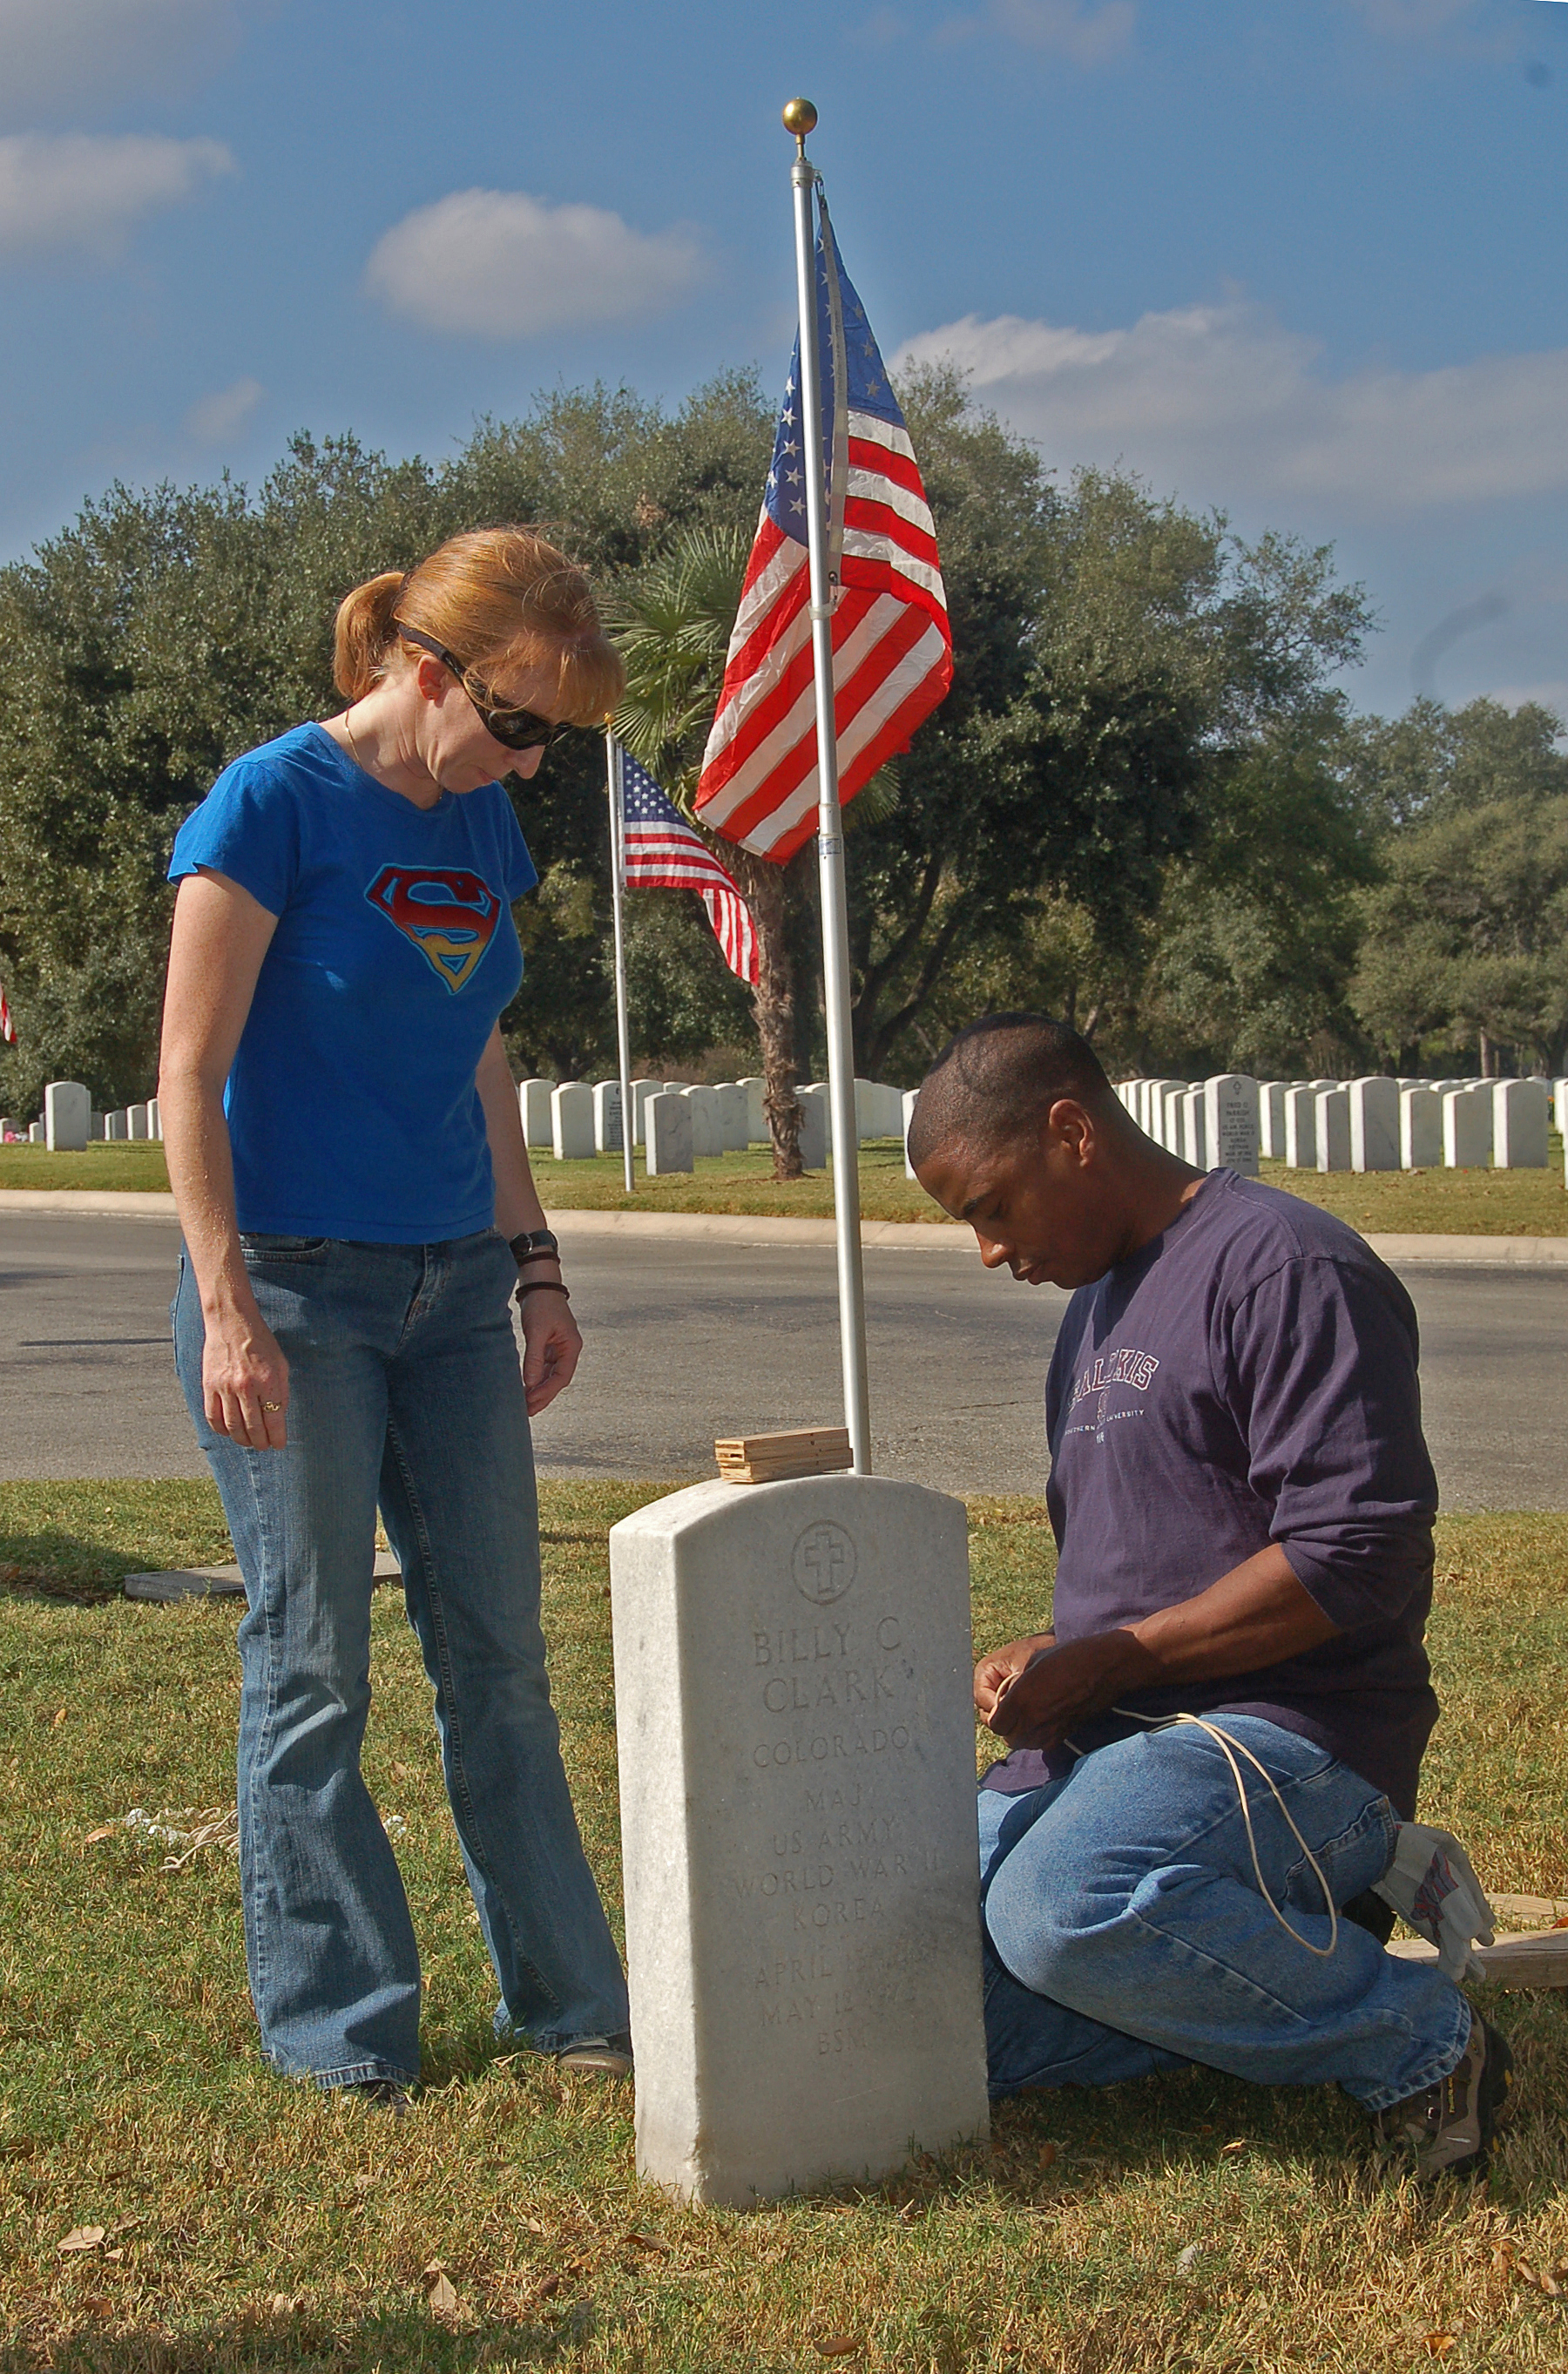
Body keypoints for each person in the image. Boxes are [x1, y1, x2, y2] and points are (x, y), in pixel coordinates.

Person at [159, 528, 632, 2103]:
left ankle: (573, 2006)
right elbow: (184, 1078)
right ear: (422, 669)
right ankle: (343, 2033)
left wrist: (537, 1259)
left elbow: (480, 1052)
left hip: (454, 1290)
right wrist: (227, 1306)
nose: (530, 753)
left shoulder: (485, 818)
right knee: (314, 1665)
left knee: (500, 1657)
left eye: (551, 733)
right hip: (295, 1287)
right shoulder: (271, 802)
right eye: (515, 718)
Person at [906, 1015, 1511, 2180]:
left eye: (990, 1205)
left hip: (1293, 1739)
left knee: (1063, 1901)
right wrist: (1059, 1650)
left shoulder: (1285, 1266)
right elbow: (1152, 1562)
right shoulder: (1094, 1303)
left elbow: (1355, 1553)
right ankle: (1256, 1960)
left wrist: (1119, 1656)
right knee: (913, 1999)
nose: (988, 1249)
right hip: (1114, 1738)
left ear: (1071, 1132)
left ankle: (1420, 2036)